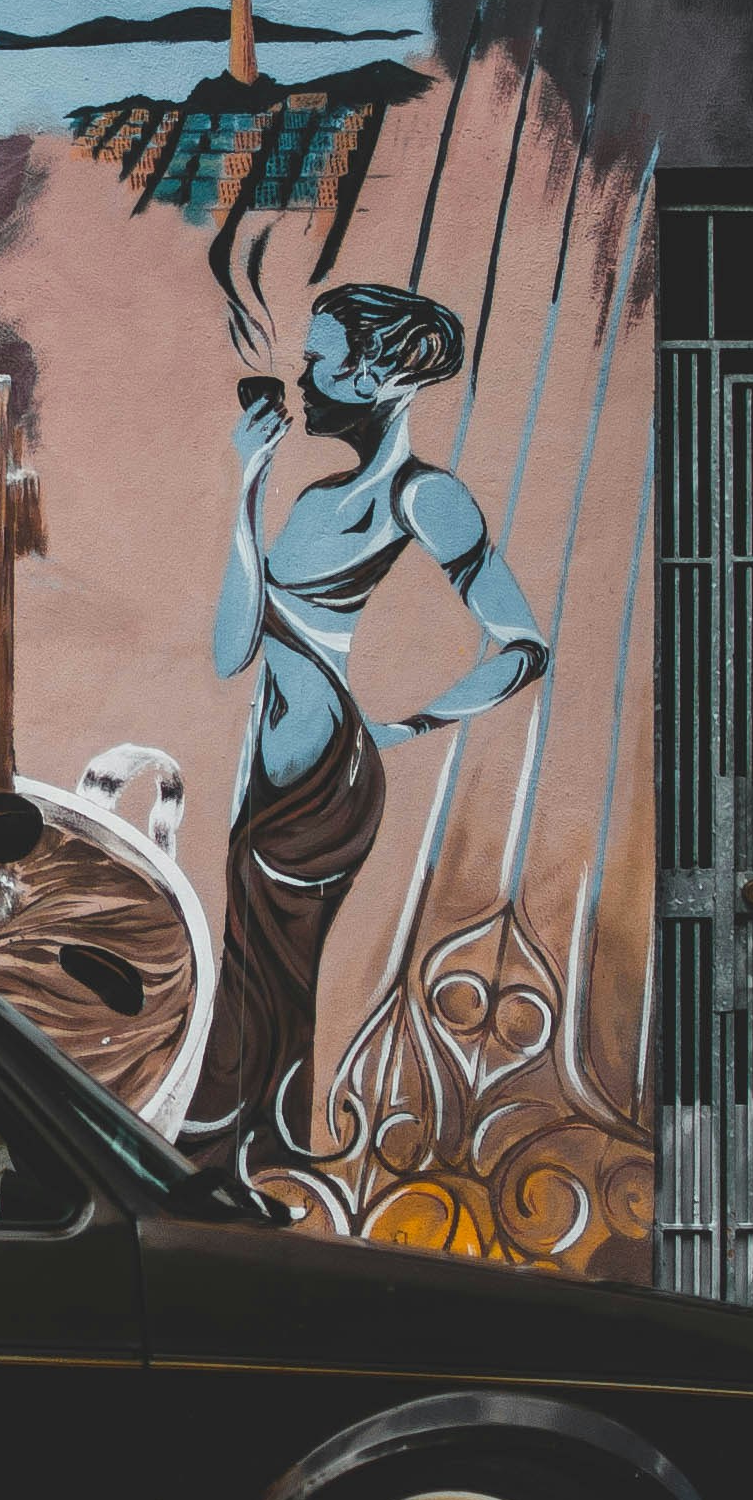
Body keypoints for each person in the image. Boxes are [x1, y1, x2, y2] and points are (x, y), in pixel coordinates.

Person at [180, 283, 550, 1189]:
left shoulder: (427, 497)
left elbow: (523, 644)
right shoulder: (307, 501)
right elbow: (233, 653)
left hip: (327, 789)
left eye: (322, 359)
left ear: (380, 376)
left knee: (277, 978)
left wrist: (410, 723)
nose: (302, 376)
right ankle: (241, 1170)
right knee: (252, 972)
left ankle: (241, 1169)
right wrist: (250, 482)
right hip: (264, 781)